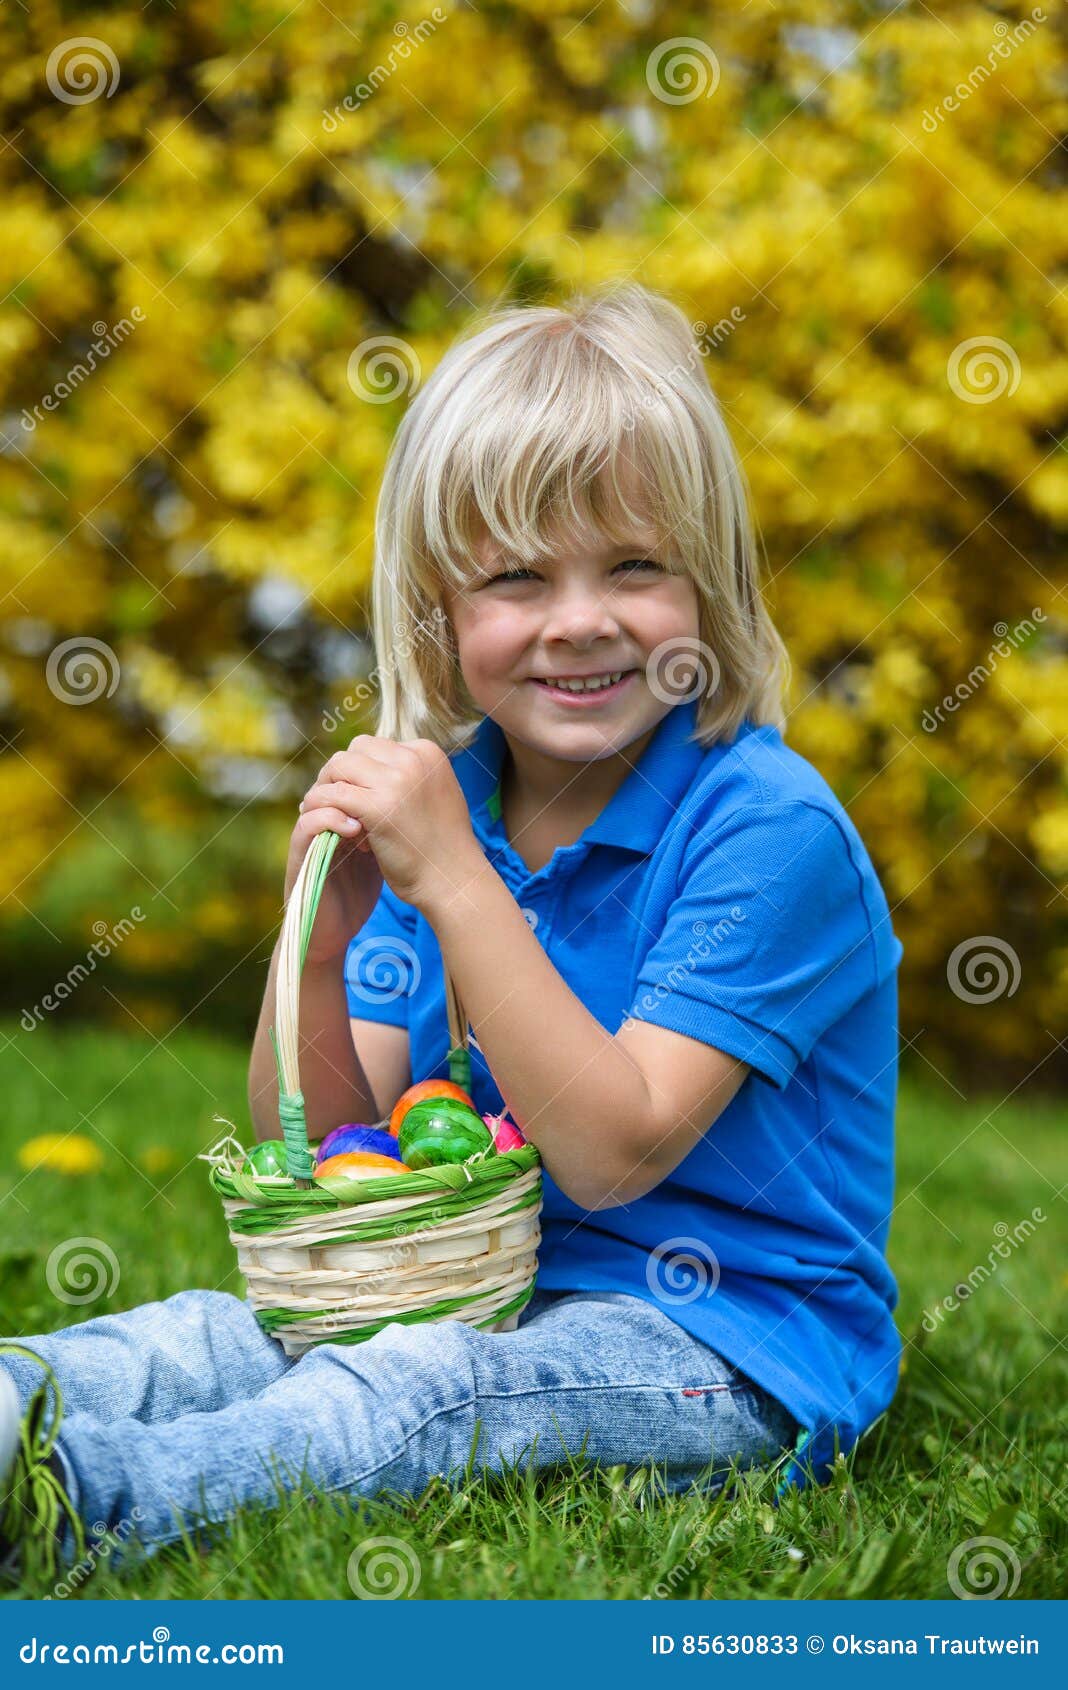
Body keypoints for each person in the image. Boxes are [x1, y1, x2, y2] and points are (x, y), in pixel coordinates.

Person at [0, 283, 903, 1584]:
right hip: (483, 1286)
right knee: (202, 1331)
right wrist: (317, 950)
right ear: (439, 609)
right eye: (518, 576)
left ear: (708, 580)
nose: (580, 617)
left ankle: (86, 1504)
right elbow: (328, 1135)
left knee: (424, 1385)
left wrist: (462, 890)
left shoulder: (767, 830)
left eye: (635, 565)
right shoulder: (455, 800)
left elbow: (612, 1151)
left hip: (727, 1341)